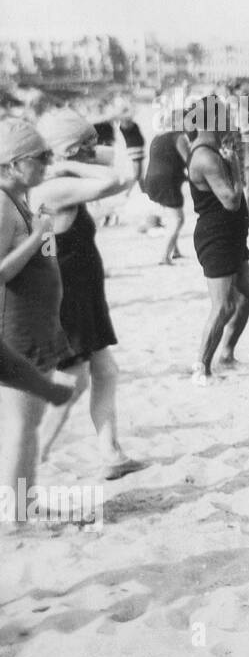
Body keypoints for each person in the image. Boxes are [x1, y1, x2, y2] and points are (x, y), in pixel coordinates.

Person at [32, 111, 139, 477]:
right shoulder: (53, 187)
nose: (93, 151)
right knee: (72, 382)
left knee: (105, 370)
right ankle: (35, 454)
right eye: (86, 147)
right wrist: (71, 165)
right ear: (69, 149)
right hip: (66, 294)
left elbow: (114, 163)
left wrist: (72, 160)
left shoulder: (57, 178)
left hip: (81, 290)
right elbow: (118, 178)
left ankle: (111, 453)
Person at [0, 121, 69, 524]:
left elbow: (40, 259)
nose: (49, 163)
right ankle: (15, 516)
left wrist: (44, 233)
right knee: (20, 426)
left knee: (30, 424)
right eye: (41, 157)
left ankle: (24, 504)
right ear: (14, 163)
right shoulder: (3, 204)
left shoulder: (19, 199)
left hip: (34, 326)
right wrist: (37, 234)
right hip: (15, 330)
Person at [187, 96, 249, 384]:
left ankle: (226, 354)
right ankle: (201, 368)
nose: (231, 121)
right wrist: (237, 164)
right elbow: (230, 200)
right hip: (217, 238)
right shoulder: (206, 156)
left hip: (231, 236)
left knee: (248, 297)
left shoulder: (215, 150)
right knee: (223, 306)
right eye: (225, 117)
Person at [143, 108, 190, 265]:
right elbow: (189, 161)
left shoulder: (159, 136)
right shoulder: (179, 137)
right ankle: (164, 256)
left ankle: (175, 251)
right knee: (178, 219)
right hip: (167, 182)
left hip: (152, 180)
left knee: (172, 217)